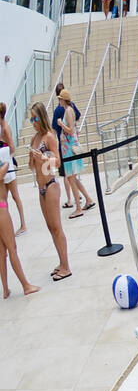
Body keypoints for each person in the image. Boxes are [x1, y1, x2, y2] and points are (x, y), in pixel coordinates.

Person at [27, 102, 71, 281]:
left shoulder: (48, 136)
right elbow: (31, 167)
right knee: (50, 227)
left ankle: (66, 266)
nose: (33, 122)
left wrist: (44, 157)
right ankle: (61, 262)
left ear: (42, 117)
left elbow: (57, 161)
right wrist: (32, 158)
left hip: (51, 185)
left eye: (35, 118)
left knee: (57, 227)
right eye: (31, 119)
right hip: (41, 187)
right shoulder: (34, 139)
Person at [0, 141, 37, 297]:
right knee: (11, 248)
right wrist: (6, 164)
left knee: (2, 252)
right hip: (1, 208)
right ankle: (26, 285)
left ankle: (6, 289)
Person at [54, 89, 93, 217]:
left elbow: (71, 130)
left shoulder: (69, 111)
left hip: (69, 148)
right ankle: (87, 199)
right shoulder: (67, 110)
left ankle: (78, 207)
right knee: (73, 178)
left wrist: (60, 124)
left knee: (71, 177)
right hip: (67, 148)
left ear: (63, 99)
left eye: (60, 98)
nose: (59, 100)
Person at [0, 102, 27, 235]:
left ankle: (23, 224)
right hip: (5, 165)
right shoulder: (2, 127)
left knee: (15, 196)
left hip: (8, 165)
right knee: (3, 198)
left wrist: (4, 154)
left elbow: (11, 147)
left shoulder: (5, 128)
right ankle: (7, 225)